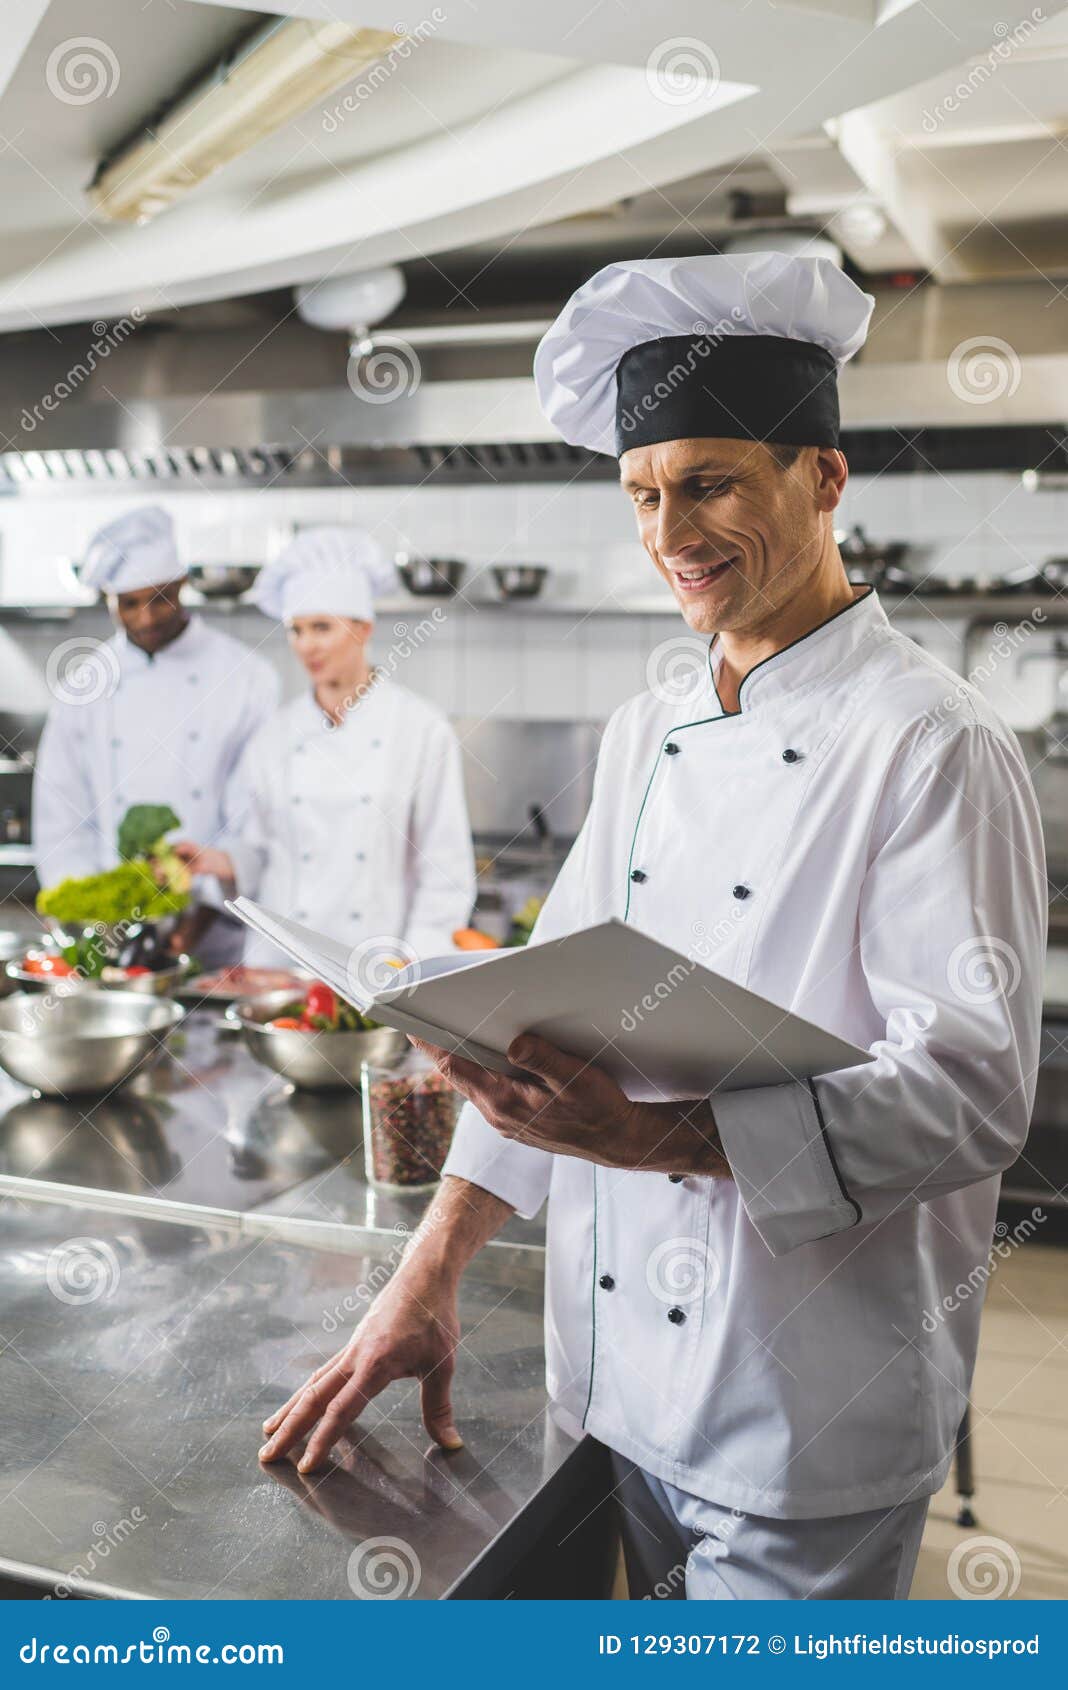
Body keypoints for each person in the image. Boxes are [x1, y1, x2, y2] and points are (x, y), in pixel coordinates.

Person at [256, 254, 1046, 1601]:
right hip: (615, 1380)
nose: (669, 528)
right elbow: (535, 1028)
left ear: (825, 476)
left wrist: (657, 1134)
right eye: (642, 492)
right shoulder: (647, 730)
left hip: (805, 1403)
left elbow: (971, 1094)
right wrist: (426, 1272)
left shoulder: (931, 742)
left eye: (711, 480)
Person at [175, 526, 475, 972]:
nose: (306, 645)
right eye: (296, 630)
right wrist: (222, 861)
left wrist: (409, 972)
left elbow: (445, 873)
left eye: (321, 627)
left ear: (362, 629)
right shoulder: (272, 736)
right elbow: (258, 852)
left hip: (378, 970)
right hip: (280, 970)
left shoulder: (420, 729)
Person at [32, 506, 278, 965]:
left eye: (160, 598)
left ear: (182, 586)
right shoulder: (82, 687)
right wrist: (95, 915)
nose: (146, 618)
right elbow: (62, 820)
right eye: (129, 603)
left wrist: (196, 916)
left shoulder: (247, 678)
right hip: (112, 943)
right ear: (107, 599)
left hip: (216, 940)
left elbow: (254, 816)